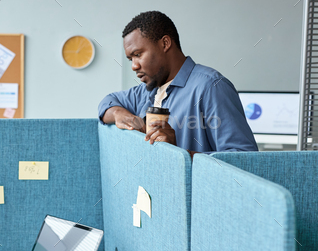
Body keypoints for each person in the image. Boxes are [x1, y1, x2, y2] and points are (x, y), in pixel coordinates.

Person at [98, 11, 258, 155]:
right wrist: (120, 115)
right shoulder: (147, 90)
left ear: (165, 43)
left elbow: (243, 158)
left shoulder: (211, 87)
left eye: (138, 54)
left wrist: (179, 154)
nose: (134, 66)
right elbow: (107, 102)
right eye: (130, 59)